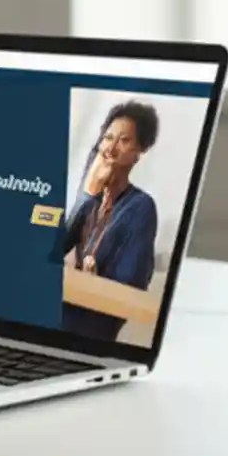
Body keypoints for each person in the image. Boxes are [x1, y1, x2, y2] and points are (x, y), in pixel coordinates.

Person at [61, 100, 160, 342]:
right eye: (107, 138)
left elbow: (131, 291)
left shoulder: (141, 207)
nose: (111, 148)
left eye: (124, 141)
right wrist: (87, 193)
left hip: (89, 335)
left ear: (139, 151)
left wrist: (94, 282)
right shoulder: (89, 197)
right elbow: (53, 251)